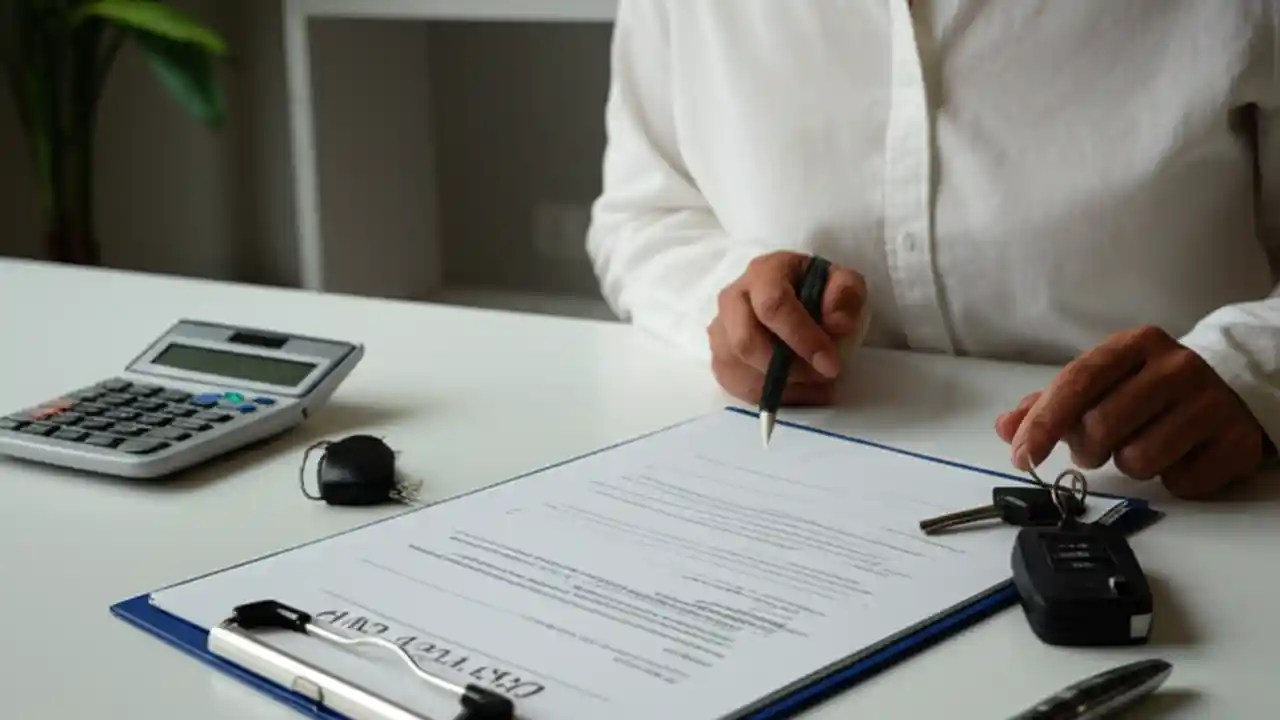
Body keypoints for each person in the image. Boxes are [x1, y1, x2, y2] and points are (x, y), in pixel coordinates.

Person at [585, 0, 1280, 499]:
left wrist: (1247, 366)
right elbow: (645, 216)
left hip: (1175, 497)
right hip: (804, 481)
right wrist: (731, 302)